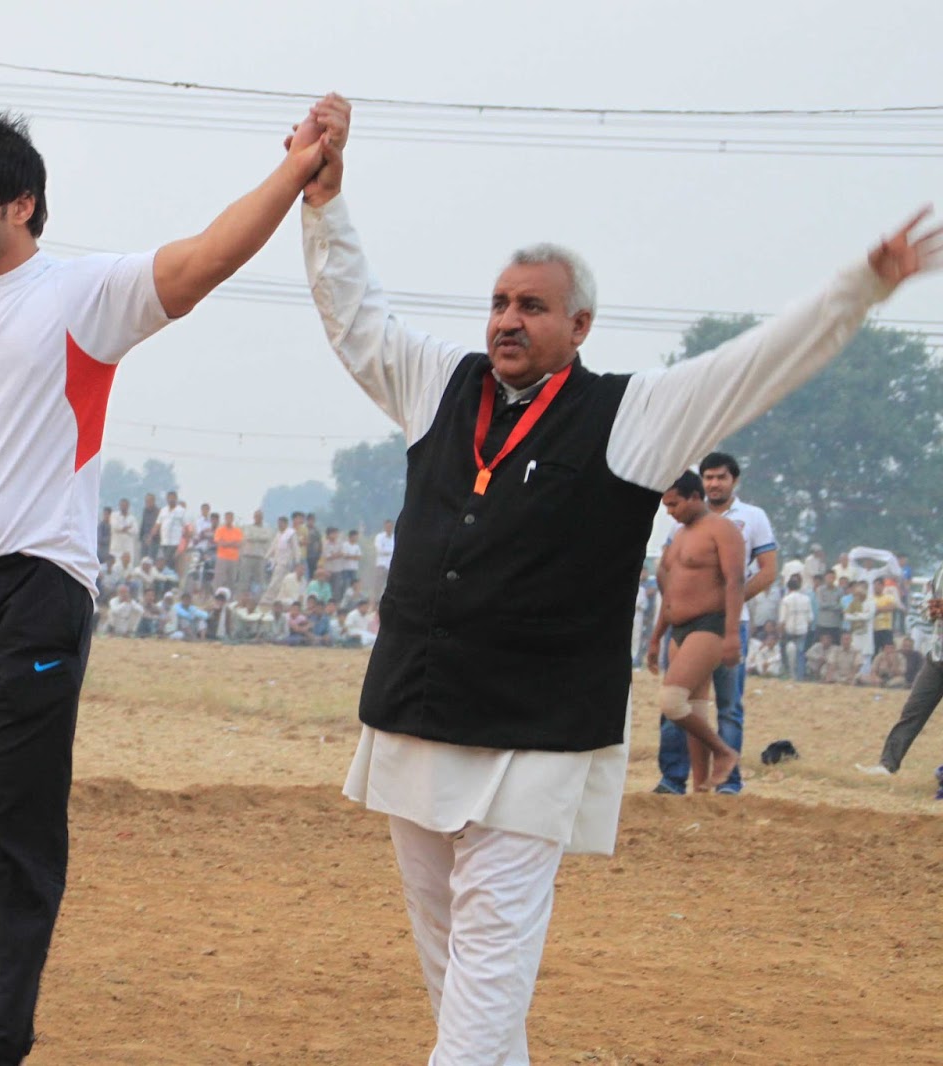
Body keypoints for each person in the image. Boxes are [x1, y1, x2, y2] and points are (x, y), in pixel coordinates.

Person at [298, 91, 940, 1064]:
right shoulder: (439, 382)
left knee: (476, 1004)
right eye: (500, 301)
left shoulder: (633, 416)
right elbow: (354, 315)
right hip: (414, 726)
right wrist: (324, 202)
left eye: (532, 305)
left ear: (581, 323)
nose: (507, 319)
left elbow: (752, 366)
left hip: (534, 747)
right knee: (462, 992)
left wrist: (858, 285)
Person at [0, 111, 330, 1066]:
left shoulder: (84, 293)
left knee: (10, 818)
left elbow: (204, 259)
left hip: (38, 586)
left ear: (21, 204)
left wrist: (296, 170)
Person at [655, 451, 776, 795]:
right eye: (709, 477)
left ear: (733, 480)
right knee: (691, 706)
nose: (714, 483)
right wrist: (657, 634)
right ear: (701, 483)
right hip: (683, 623)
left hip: (723, 624)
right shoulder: (681, 525)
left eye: (721, 477)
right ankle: (688, 782)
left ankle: (728, 777)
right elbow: (671, 575)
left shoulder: (749, 519)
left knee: (723, 706)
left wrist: (726, 612)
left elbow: (762, 572)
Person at [645, 472, 743, 790]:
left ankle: (724, 752)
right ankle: (701, 786)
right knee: (695, 707)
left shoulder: (722, 529)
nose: (670, 511)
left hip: (710, 624)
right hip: (678, 627)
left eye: (674, 504)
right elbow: (670, 591)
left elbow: (735, 581)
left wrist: (731, 635)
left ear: (694, 497)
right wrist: (657, 636)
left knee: (672, 700)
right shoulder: (679, 535)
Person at [858, 560, 943, 776]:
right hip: (937, 656)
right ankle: (887, 765)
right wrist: (933, 609)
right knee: (913, 711)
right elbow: (926, 608)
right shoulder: (940, 571)